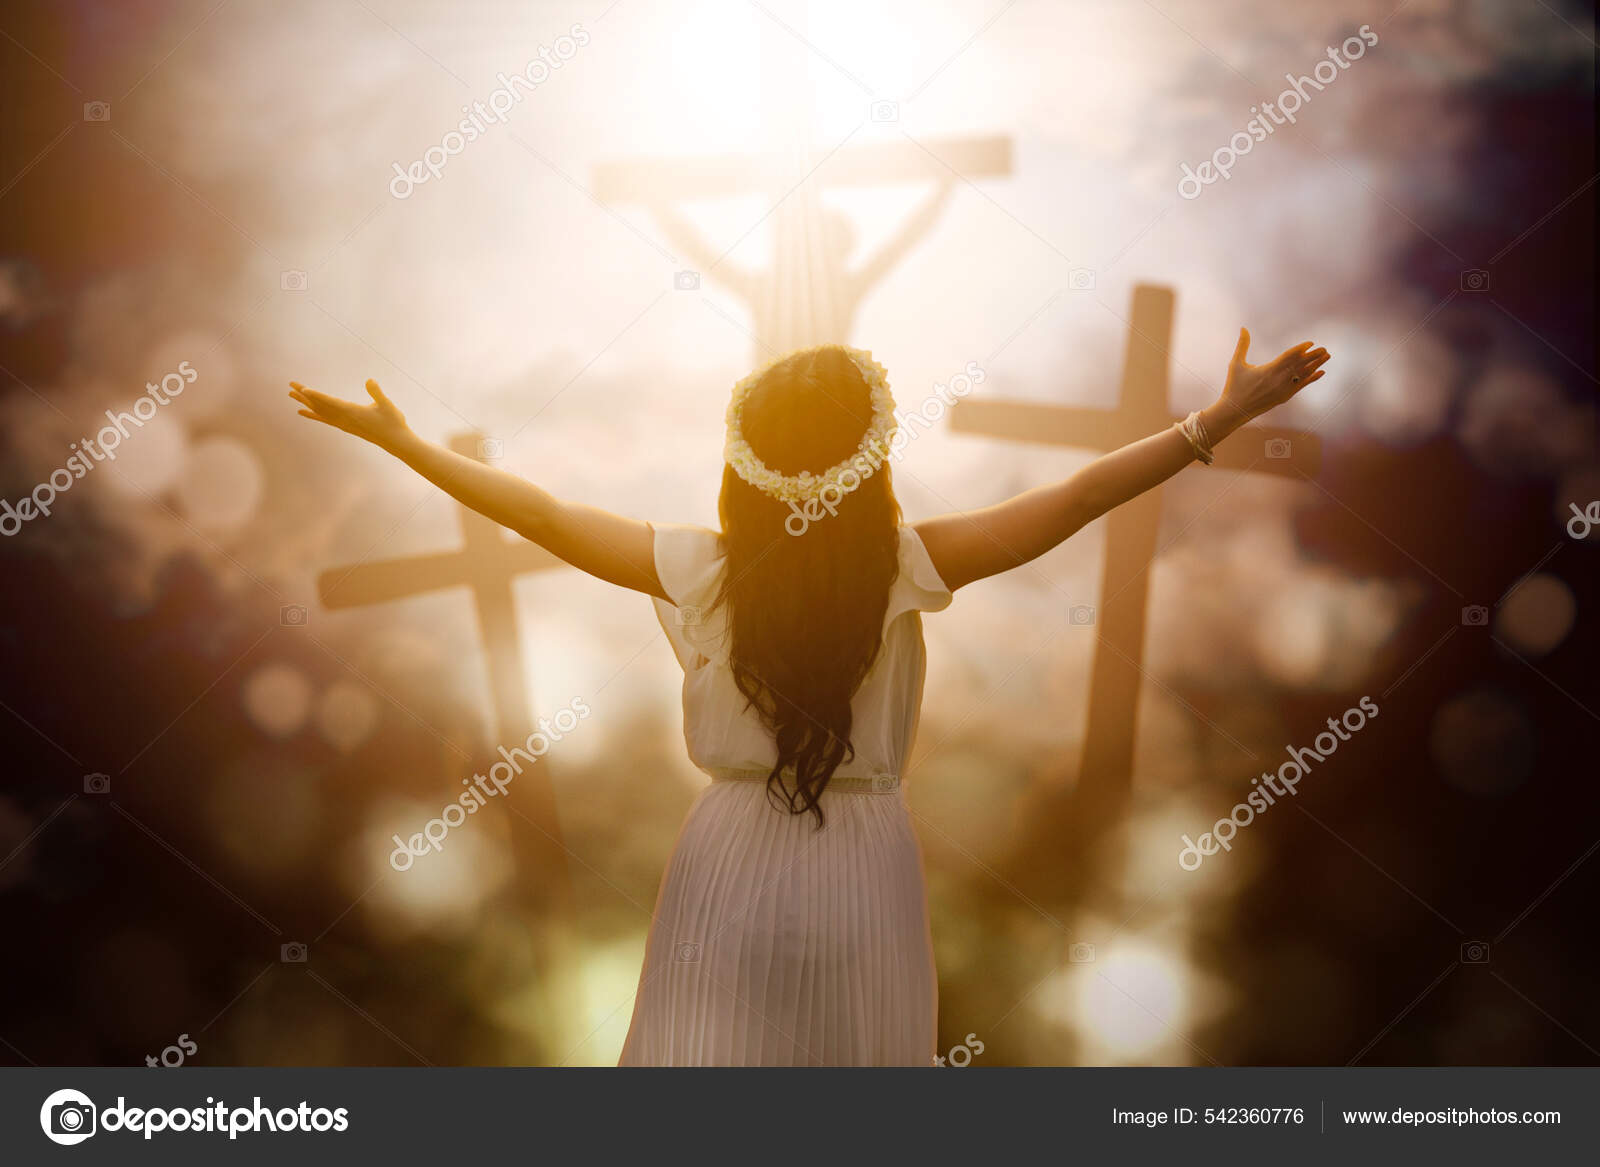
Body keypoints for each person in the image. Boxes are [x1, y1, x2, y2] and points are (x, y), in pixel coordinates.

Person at [289, 328, 1329, 1065]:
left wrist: (409, 444)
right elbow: (1078, 495)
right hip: (862, 865)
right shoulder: (909, 564)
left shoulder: (697, 565)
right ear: (871, 463)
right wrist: (1217, 420)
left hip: (725, 858)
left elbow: (545, 514)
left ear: (745, 465)